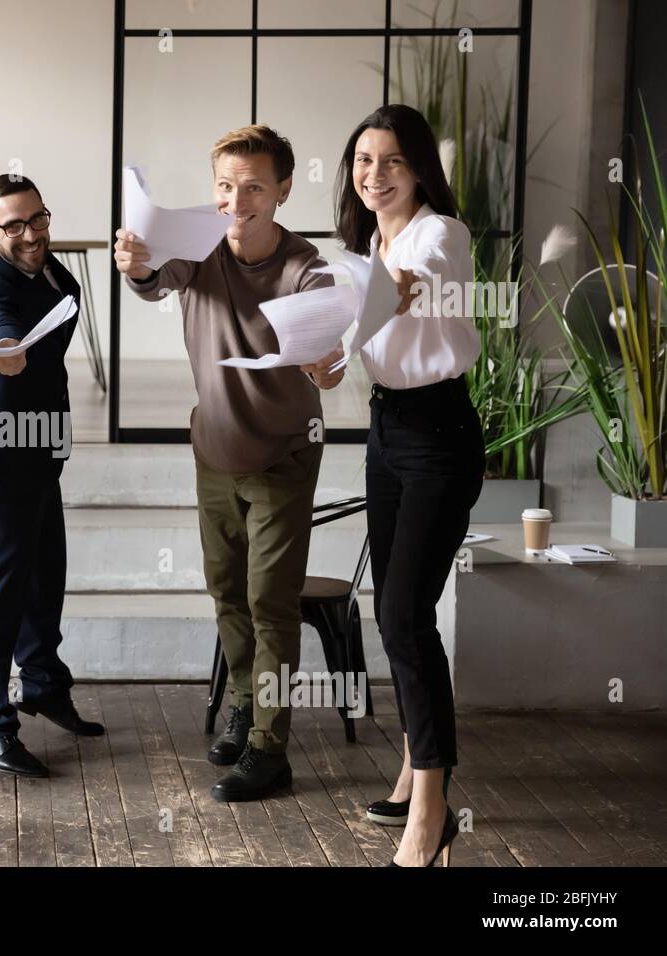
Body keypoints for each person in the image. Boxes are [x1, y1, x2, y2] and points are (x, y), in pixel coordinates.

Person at [115, 125, 343, 802]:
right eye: (224, 185)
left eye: (251, 187)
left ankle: (271, 748)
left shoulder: (308, 267)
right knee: (227, 593)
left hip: (283, 456)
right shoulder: (200, 244)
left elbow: (328, 365)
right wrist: (136, 264)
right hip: (214, 451)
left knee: (269, 603)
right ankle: (245, 705)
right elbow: (159, 278)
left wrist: (326, 365)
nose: (235, 200)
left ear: (281, 192)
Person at [334, 103, 482, 867]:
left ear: (419, 167)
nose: (375, 175)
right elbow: (360, 323)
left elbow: (411, 287)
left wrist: (350, 313)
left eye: (391, 161)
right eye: (364, 161)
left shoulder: (439, 235)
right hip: (387, 431)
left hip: (439, 436)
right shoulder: (361, 241)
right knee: (394, 612)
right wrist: (325, 351)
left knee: (404, 613)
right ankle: (412, 769)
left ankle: (432, 808)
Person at [0, 174, 104, 780]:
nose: (30, 233)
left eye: (37, 219)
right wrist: (4, 343)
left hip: (42, 445)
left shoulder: (49, 265)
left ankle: (43, 685)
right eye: (13, 225)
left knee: (45, 576)